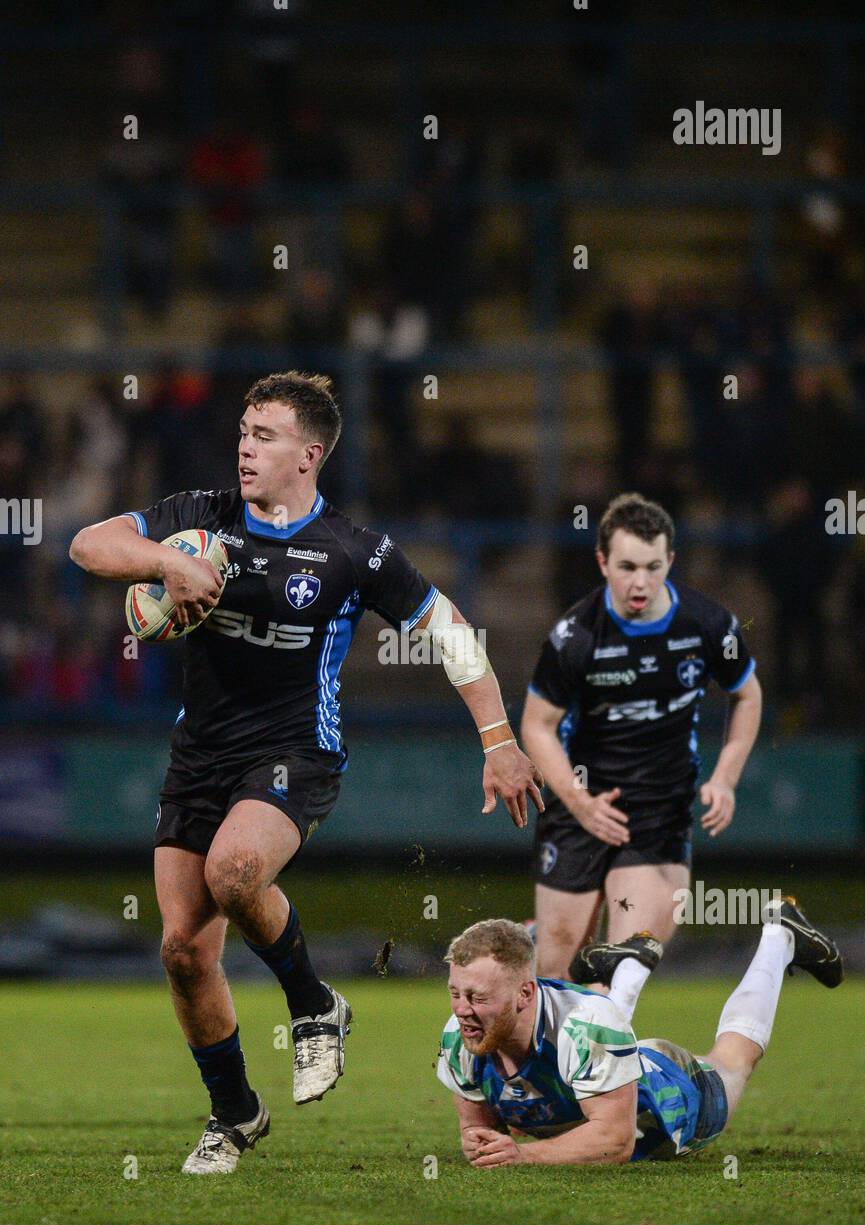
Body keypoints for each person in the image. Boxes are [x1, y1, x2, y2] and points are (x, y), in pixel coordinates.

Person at [70, 370, 543, 1175]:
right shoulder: (200, 518)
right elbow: (88, 543)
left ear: (309, 453)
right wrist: (165, 564)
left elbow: (451, 632)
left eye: (265, 436)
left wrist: (498, 739)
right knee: (183, 951)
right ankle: (235, 1113)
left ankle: (313, 1005)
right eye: (244, 432)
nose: (245, 448)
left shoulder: (354, 553)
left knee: (235, 870)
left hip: (297, 749)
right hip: (200, 756)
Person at [520, 492, 762, 1022]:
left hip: (657, 813)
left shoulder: (707, 625)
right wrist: (580, 803)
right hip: (580, 809)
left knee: (619, 976)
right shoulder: (575, 636)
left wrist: (725, 778)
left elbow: (747, 694)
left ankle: (599, 1097)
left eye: (653, 568)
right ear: (603, 562)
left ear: (669, 562)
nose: (640, 583)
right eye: (627, 567)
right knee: (555, 979)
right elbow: (537, 726)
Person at [437, 904, 842, 1167]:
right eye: (455, 993)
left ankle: (780, 936)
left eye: (477, 996)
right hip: (593, 1068)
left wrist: (523, 1156)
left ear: (525, 992)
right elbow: (480, 1134)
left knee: (735, 1060)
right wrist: (485, 1144)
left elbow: (615, 1142)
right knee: (588, 1035)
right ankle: (631, 965)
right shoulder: (459, 1036)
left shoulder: (587, 1026)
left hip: (663, 1095)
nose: (461, 1009)